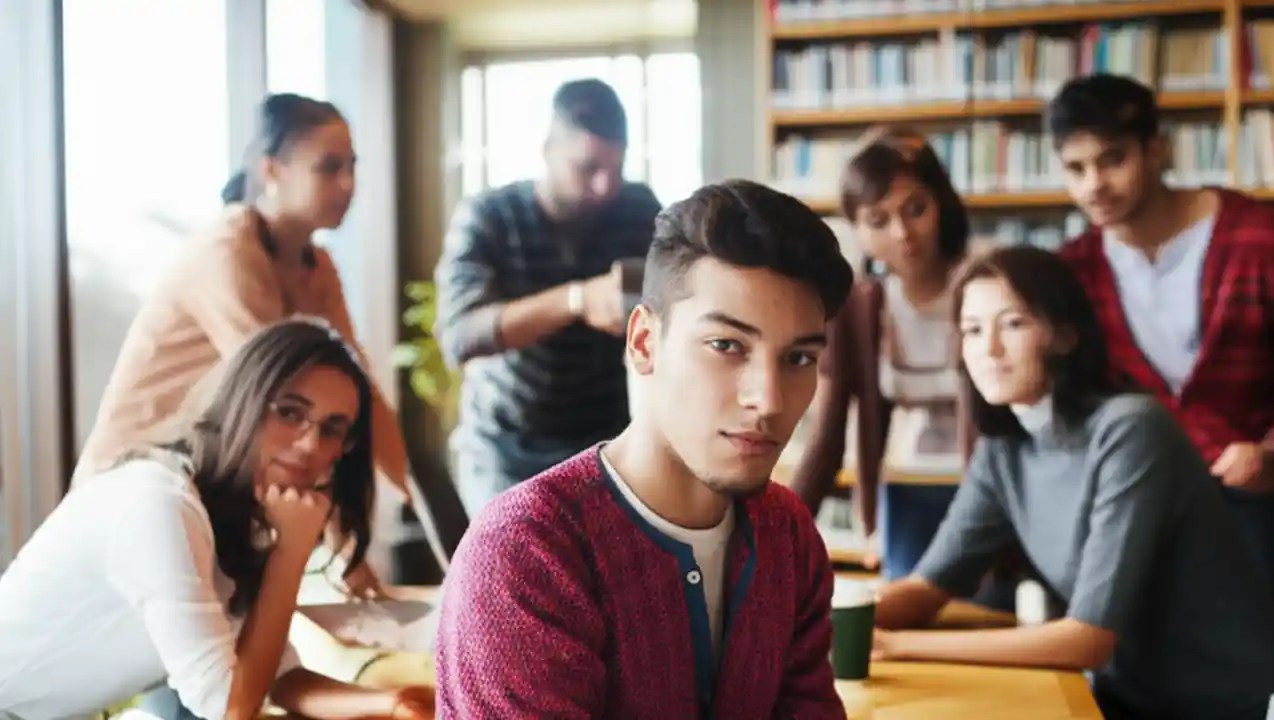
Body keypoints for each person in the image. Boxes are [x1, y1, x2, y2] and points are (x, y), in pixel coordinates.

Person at [434, 181, 854, 718]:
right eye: (726, 346)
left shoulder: (787, 534)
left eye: (798, 358)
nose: (768, 400)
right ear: (644, 343)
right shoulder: (525, 551)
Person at [871, 246, 1274, 720]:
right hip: (1119, 702)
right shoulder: (1004, 449)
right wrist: (833, 622)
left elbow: (1087, 639)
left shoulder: (1130, 429)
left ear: (1065, 335)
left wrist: (897, 646)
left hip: (1229, 708)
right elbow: (927, 588)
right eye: (972, 330)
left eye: (1014, 324)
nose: (989, 349)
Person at [73, 93, 418, 596]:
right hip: (137, 485)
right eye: (329, 168)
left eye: (352, 167)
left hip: (199, 486)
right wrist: (344, 545)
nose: (349, 185)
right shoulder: (227, 251)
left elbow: (359, 392)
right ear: (272, 169)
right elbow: (279, 399)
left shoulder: (316, 268)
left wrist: (428, 515)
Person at [0, 320, 433, 720]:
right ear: (243, 403)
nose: (308, 444)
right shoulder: (157, 504)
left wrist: (394, 704)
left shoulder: (238, 515)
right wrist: (291, 553)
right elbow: (229, 708)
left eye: (332, 429)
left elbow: (277, 677)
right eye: (289, 412)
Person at [1049, 73, 1274, 592]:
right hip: (1141, 502)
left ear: (1157, 150)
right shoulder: (1073, 271)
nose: (1094, 185)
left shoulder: (1261, 239)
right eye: (1076, 168)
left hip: (1260, 501)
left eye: (1112, 160)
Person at [434, 78, 662, 517]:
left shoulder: (638, 210)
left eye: (617, 168)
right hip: (506, 448)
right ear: (548, 150)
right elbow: (460, 336)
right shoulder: (489, 216)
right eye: (588, 167)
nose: (605, 186)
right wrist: (575, 300)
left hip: (609, 444)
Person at [790, 125, 970, 581]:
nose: (903, 233)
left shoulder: (984, 284)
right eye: (878, 220)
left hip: (990, 492)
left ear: (941, 205)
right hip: (907, 489)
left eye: (916, 209)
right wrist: (775, 537)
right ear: (857, 231)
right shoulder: (857, 307)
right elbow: (828, 437)